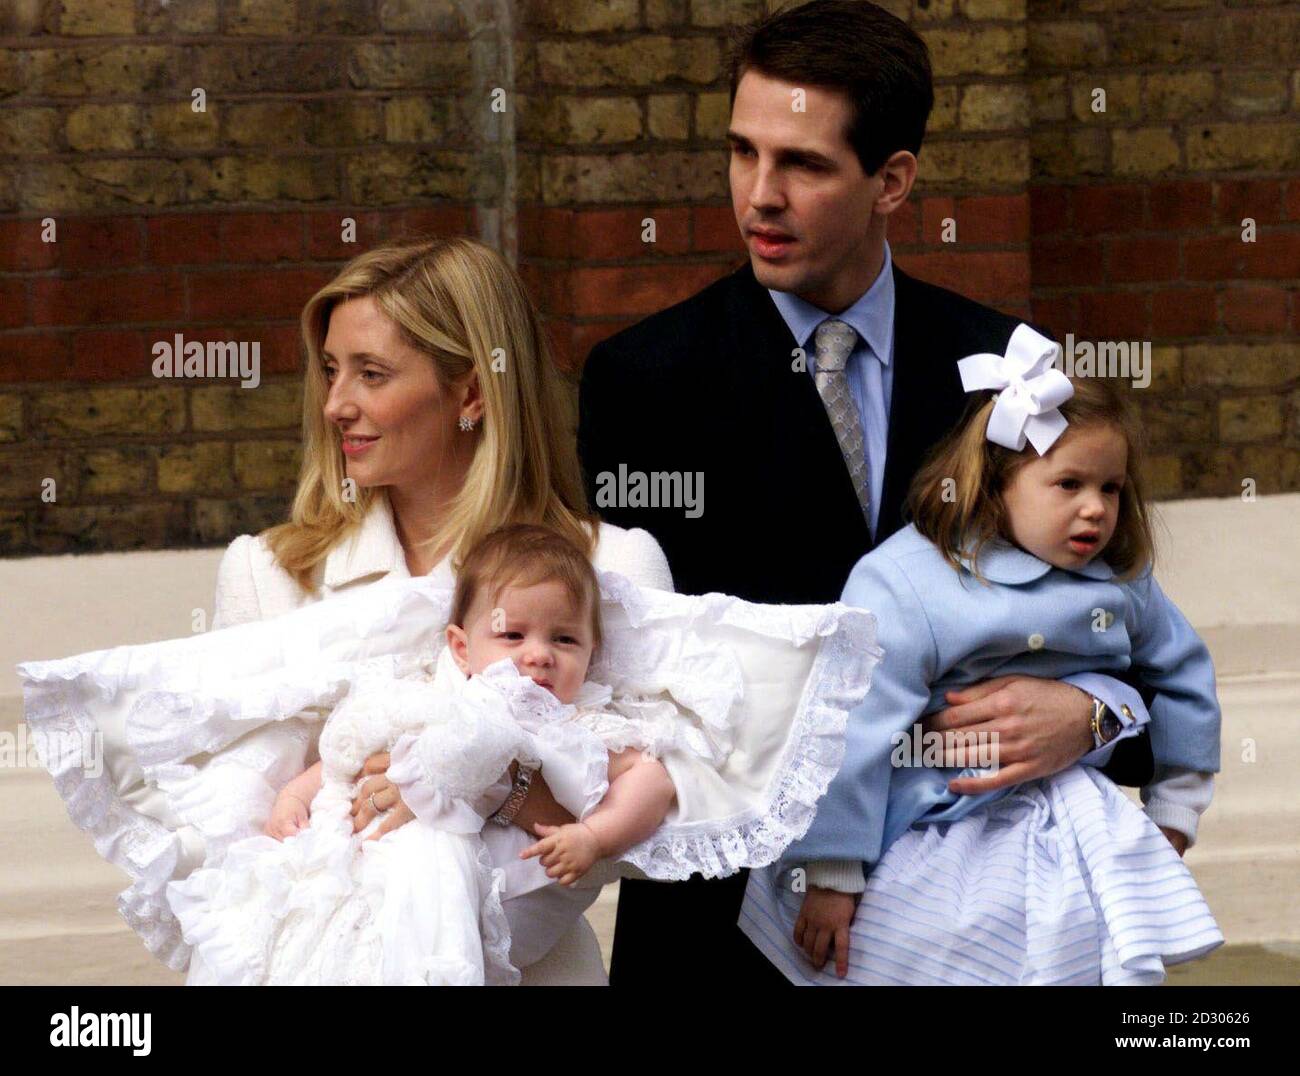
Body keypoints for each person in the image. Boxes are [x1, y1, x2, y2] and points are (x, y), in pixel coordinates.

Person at [578, 0, 1156, 986]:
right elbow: (626, 665)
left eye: (801, 164)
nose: (759, 195)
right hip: (724, 929)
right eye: (742, 153)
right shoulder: (643, 379)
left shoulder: (1007, 369)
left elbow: (1125, 630)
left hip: (975, 911)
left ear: (892, 179)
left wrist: (1090, 715)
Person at [742, 338, 1223, 985]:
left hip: (1072, 810)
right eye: (1069, 484)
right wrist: (830, 871)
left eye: (1111, 488)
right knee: (939, 951)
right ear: (997, 484)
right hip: (929, 817)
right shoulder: (914, 579)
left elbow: (1185, 674)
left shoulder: (1120, 581)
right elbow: (850, 720)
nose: (1096, 509)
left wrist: (1176, 808)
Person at [163, 523, 679, 985]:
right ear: (461, 647)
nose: (538, 654)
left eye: (565, 639)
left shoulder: (578, 725)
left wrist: (592, 834)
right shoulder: (434, 697)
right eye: (513, 635)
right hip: (374, 876)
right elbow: (355, 750)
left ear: (592, 654)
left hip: (482, 907)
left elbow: (651, 781)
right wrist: (296, 794)